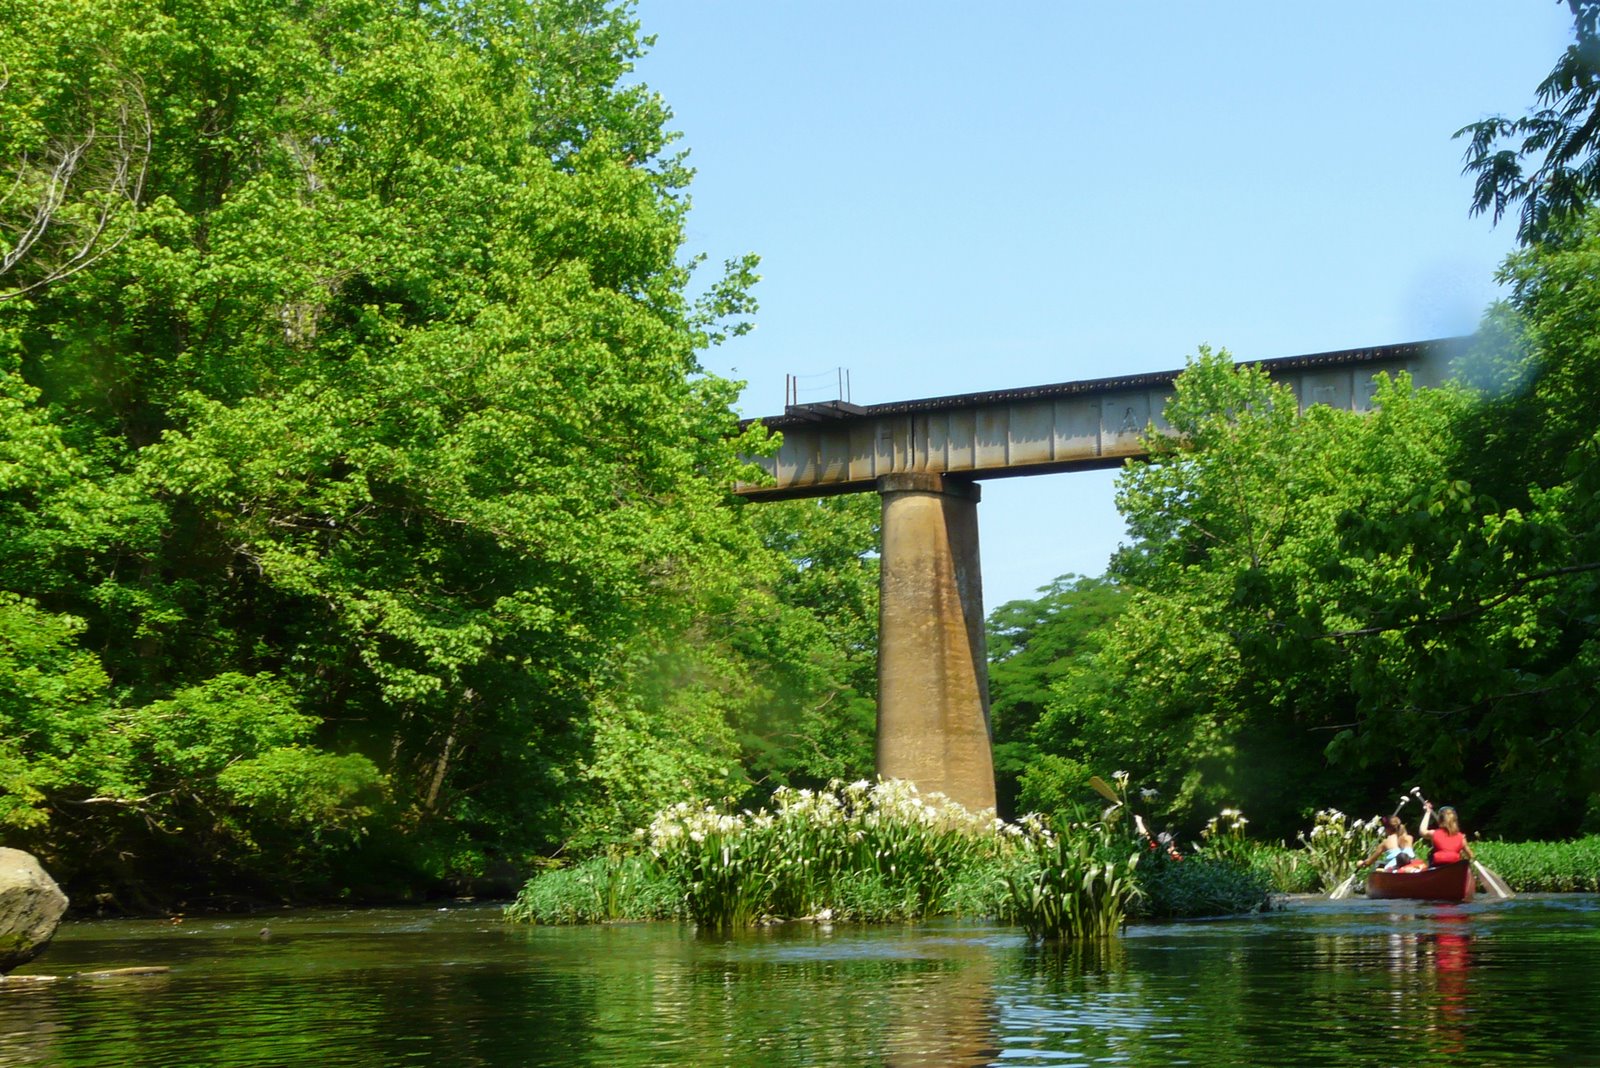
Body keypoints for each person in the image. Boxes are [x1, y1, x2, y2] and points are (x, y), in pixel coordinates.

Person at [1419, 801, 1475, 866]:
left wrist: (1428, 812)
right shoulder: (1461, 837)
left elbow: (1422, 831)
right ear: (1455, 820)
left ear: (1440, 820)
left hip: (1438, 868)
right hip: (1455, 868)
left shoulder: (1434, 834)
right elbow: (1471, 855)